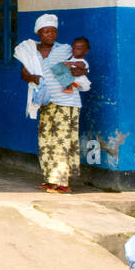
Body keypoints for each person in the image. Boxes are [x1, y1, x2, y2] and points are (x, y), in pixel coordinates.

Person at [14, 13, 88, 193]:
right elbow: (24, 74)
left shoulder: (65, 49)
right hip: (46, 102)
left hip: (66, 101)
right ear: (39, 32)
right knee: (46, 141)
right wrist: (33, 77)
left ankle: (63, 183)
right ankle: (51, 179)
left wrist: (79, 71)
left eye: (54, 31)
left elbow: (80, 65)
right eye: (46, 32)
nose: (51, 35)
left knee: (61, 142)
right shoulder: (30, 53)